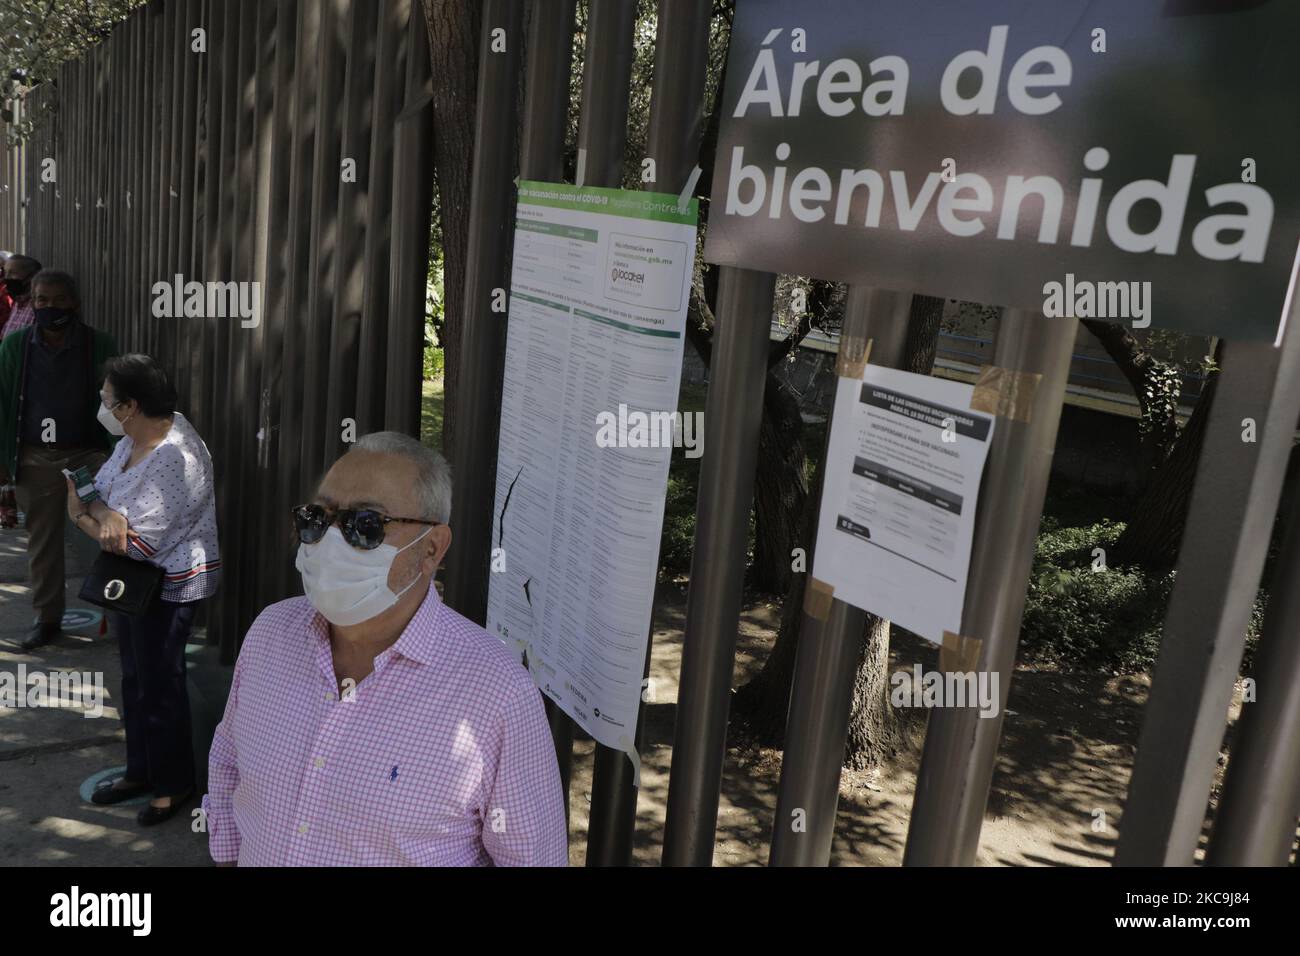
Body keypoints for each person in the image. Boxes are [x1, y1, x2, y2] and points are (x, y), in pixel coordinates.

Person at [203, 432, 568, 866]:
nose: (329, 542)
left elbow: (532, 857)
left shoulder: (496, 693)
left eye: (366, 525)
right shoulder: (270, 633)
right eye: (317, 518)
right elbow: (228, 763)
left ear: (432, 548)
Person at [71, 354, 220, 825]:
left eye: (107, 401)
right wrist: (102, 510)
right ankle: (141, 770)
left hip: (166, 583)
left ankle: (174, 785)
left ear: (130, 406)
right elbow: (102, 492)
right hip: (132, 583)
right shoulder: (132, 439)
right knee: (136, 679)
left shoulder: (174, 457)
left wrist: (81, 514)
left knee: (160, 684)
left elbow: (134, 543)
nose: (102, 406)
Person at [0, 269, 118, 650]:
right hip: (36, 460)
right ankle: (47, 618)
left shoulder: (98, 344)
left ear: (75, 304)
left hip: (88, 457)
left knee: (109, 534)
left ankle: (119, 616)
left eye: (58, 300)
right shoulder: (16, 346)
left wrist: (113, 456)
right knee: (43, 544)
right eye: (41, 301)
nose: (50, 308)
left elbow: (115, 401)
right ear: (32, 304)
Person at [2, 253, 42, 338]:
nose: (7, 277)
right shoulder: (17, 302)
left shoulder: (38, 306)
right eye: (5, 272)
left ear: (32, 276)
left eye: (13, 273)